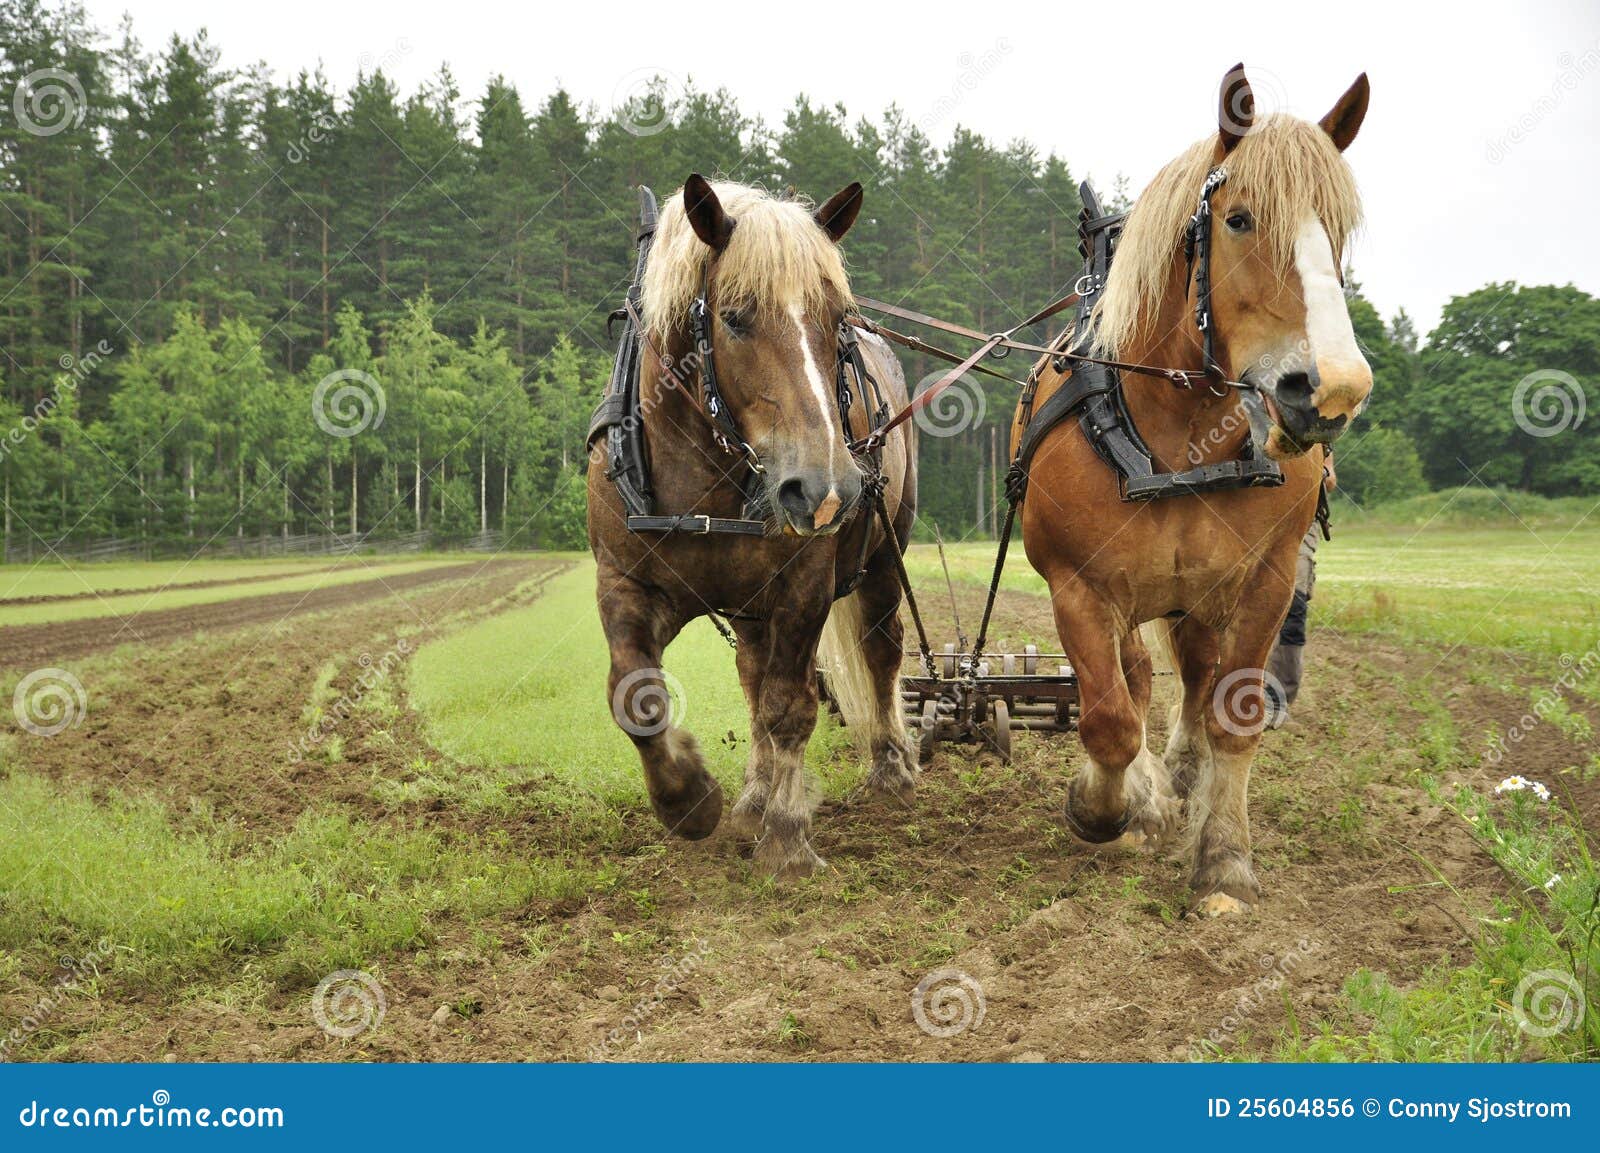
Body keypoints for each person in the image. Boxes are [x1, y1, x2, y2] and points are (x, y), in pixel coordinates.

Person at [1265, 452, 1335, 729]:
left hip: (1299, 522)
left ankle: (1276, 700)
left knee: (1293, 605)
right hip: (1248, 520)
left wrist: (1315, 475)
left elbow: (1330, 478)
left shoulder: (1311, 433)